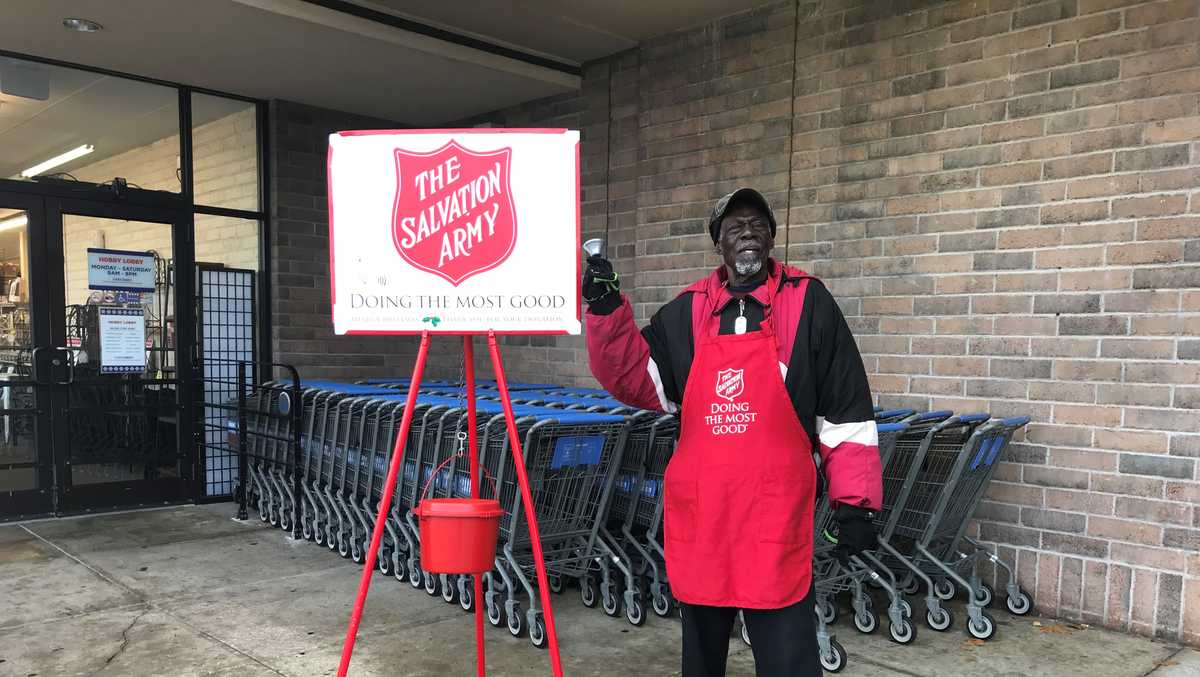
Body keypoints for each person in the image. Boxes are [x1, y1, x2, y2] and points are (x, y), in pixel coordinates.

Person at [582, 188, 883, 677]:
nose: (747, 232)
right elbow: (637, 378)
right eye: (734, 226)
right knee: (702, 662)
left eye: (758, 224)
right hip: (704, 517)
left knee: (788, 658)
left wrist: (856, 502)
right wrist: (605, 308)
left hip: (775, 517)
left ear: (772, 239)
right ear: (717, 243)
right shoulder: (686, 311)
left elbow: (844, 409)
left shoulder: (808, 302)